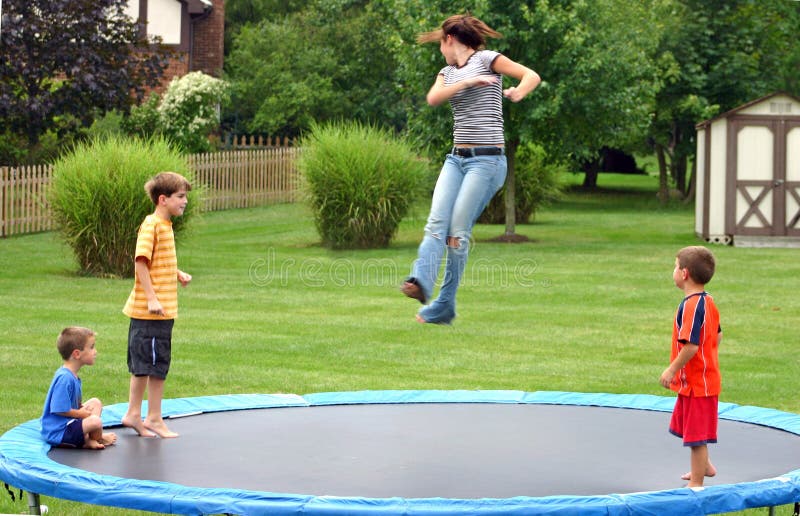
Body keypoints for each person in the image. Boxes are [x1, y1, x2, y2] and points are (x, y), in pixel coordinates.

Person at [401, 14, 541, 324]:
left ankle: (444, 305)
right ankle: (421, 282)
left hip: (487, 162)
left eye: (440, 44)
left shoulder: (489, 59)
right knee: (436, 221)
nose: (440, 51)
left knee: (456, 232)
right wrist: (466, 82)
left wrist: (519, 92)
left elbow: (530, 75)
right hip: (456, 159)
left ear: (449, 40)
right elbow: (433, 98)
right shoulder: (447, 72)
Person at [121, 171, 192, 438]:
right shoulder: (151, 225)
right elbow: (141, 262)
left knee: (152, 363)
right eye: (181, 196)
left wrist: (177, 273)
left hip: (162, 311)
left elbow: (157, 260)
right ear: (163, 199)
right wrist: (151, 298)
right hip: (151, 312)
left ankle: (137, 414)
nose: (185, 201)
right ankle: (151, 417)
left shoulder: (165, 226)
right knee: (150, 365)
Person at [659, 246, 722, 487]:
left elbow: (692, 345)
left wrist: (671, 369)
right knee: (688, 426)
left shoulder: (692, 306)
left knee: (697, 438)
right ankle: (705, 466)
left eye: (675, 267)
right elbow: (717, 336)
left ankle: (696, 484)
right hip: (696, 381)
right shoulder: (708, 301)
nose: (673, 271)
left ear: (684, 273)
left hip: (699, 384)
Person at [41, 327, 117, 449]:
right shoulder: (65, 378)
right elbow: (58, 409)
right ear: (77, 354)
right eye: (91, 347)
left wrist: (80, 409)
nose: (95, 351)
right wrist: (80, 414)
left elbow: (70, 405)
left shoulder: (72, 376)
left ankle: (91, 438)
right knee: (95, 421)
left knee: (95, 403)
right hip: (59, 432)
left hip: (68, 423)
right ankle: (93, 439)